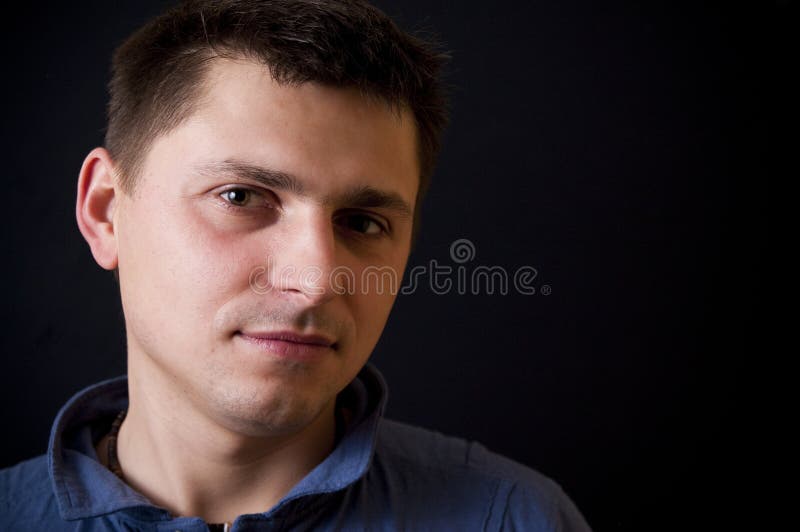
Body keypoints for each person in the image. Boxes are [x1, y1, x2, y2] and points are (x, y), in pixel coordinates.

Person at [0, 1, 591, 530]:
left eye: (362, 222)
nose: (316, 281)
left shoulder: (514, 519)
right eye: (241, 196)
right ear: (106, 212)